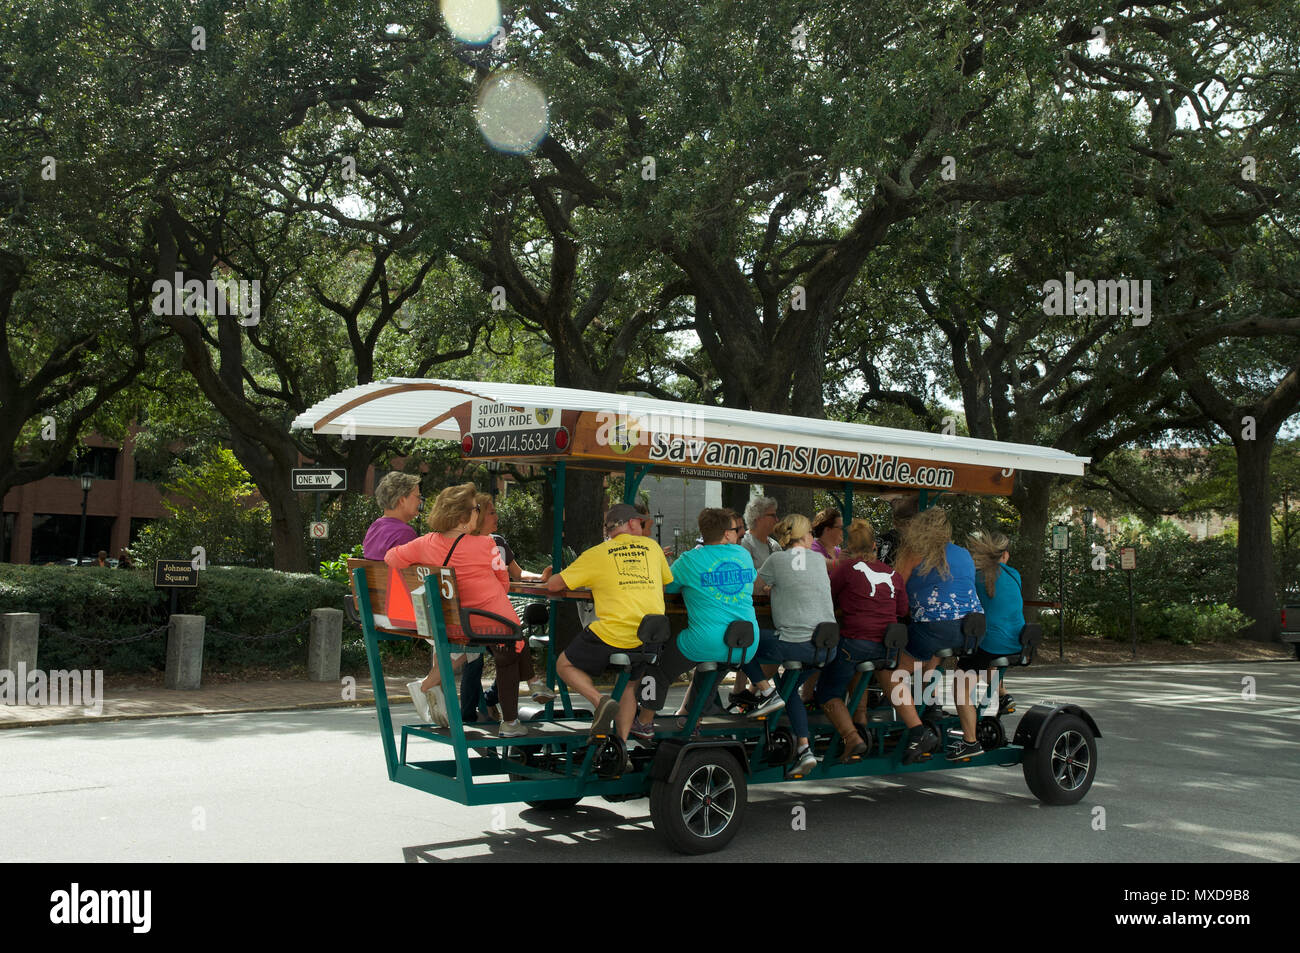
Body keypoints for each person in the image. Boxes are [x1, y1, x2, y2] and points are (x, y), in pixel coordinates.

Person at [385, 483, 532, 738]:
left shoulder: (424, 543)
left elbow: (391, 558)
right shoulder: (486, 544)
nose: (479, 512)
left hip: (447, 623)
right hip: (484, 624)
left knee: (513, 642)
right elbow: (504, 583)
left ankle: (531, 685)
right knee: (512, 644)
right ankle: (511, 721)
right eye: (477, 509)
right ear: (465, 518)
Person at [630, 508, 761, 740]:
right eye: (735, 530)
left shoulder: (689, 560)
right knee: (711, 668)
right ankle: (692, 719)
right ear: (726, 533)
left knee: (658, 668)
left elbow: (665, 588)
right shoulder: (742, 555)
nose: (738, 534)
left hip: (705, 641)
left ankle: (645, 722)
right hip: (745, 643)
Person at [545, 503, 672, 741]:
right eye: (641, 523)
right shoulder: (653, 549)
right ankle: (621, 745)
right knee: (629, 688)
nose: (643, 527)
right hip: (650, 637)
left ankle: (600, 701)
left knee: (563, 664)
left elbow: (554, 585)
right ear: (632, 523)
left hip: (615, 635)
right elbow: (664, 583)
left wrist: (547, 575)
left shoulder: (597, 554)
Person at [739, 515, 836, 776]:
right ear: (805, 538)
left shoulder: (776, 560)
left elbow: (755, 588)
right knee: (788, 686)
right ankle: (804, 749)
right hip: (827, 646)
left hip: (796, 645)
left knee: (741, 642)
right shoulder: (818, 559)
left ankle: (764, 692)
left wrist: (773, 588)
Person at [891, 507, 983, 763]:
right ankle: (934, 716)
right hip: (971, 629)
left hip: (935, 627)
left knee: (891, 670)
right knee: (927, 662)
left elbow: (895, 588)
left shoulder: (914, 552)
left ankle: (918, 730)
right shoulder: (963, 553)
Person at [815, 519, 907, 760]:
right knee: (859, 671)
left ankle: (852, 737)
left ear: (849, 548)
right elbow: (903, 609)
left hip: (855, 641)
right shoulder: (893, 574)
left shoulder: (845, 569)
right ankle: (862, 722)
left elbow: (828, 598)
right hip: (885, 647)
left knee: (826, 691)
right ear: (875, 546)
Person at [462, 493, 552, 722]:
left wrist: (539, 577)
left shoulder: (498, 542)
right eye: (492, 512)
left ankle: (499, 707)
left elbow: (518, 573)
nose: (497, 516)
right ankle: (525, 691)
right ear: (478, 516)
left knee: (511, 644)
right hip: (476, 617)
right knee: (511, 641)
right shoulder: (464, 544)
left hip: (496, 615)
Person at [952, 531, 1025, 752]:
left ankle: (970, 741)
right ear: (1004, 556)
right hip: (1017, 642)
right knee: (986, 660)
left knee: (960, 685)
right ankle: (1002, 695)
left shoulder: (975, 577)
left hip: (990, 645)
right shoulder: (1014, 575)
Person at [363, 472, 421, 560]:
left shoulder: (374, 528)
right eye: (418, 497)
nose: (420, 501)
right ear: (402, 500)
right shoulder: (404, 533)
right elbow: (411, 573)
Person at [741, 496, 781, 569]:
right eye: (773, 515)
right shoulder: (744, 544)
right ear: (758, 517)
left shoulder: (775, 546)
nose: (777, 520)